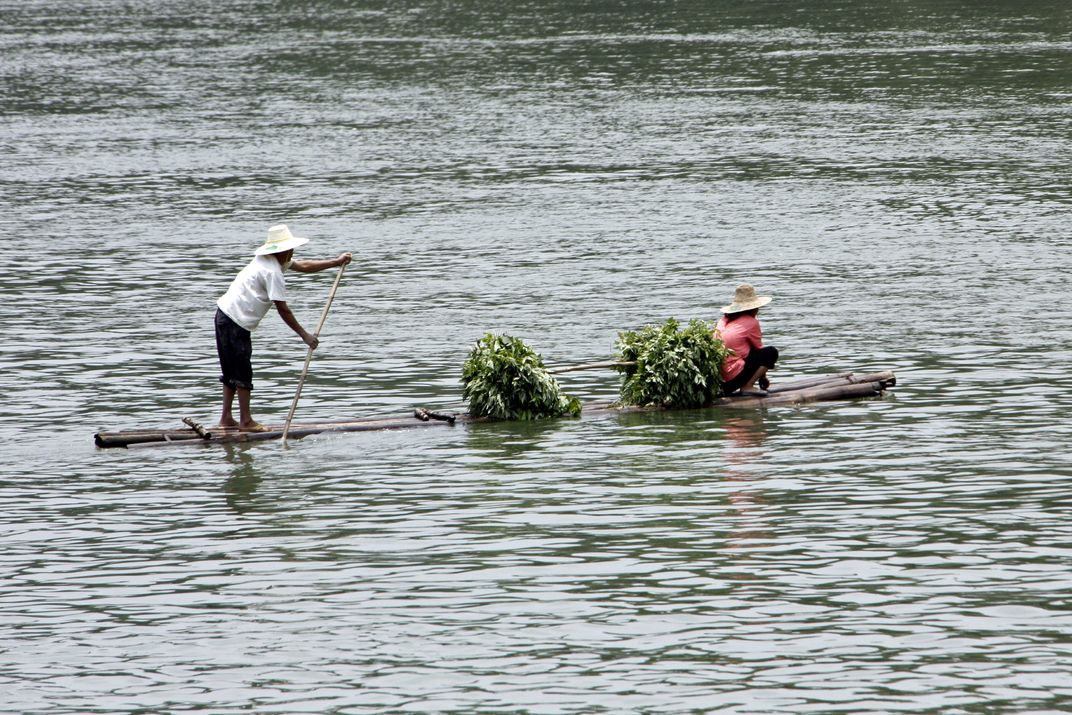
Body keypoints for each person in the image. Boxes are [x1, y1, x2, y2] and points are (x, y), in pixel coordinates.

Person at [215, 224, 352, 432]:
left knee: (230, 370)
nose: (293, 253)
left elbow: (304, 266)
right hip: (235, 321)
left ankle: (226, 418)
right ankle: (245, 421)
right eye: (291, 249)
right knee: (241, 371)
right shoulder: (272, 272)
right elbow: (283, 309)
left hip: (223, 315)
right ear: (284, 250)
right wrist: (305, 336)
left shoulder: (268, 261)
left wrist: (336, 262)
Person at [716, 283, 779, 397]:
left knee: (748, 351)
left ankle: (745, 384)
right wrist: (763, 377)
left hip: (721, 382)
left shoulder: (723, 320)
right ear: (753, 308)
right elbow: (761, 351)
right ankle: (748, 386)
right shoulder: (751, 322)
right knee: (771, 352)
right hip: (733, 379)